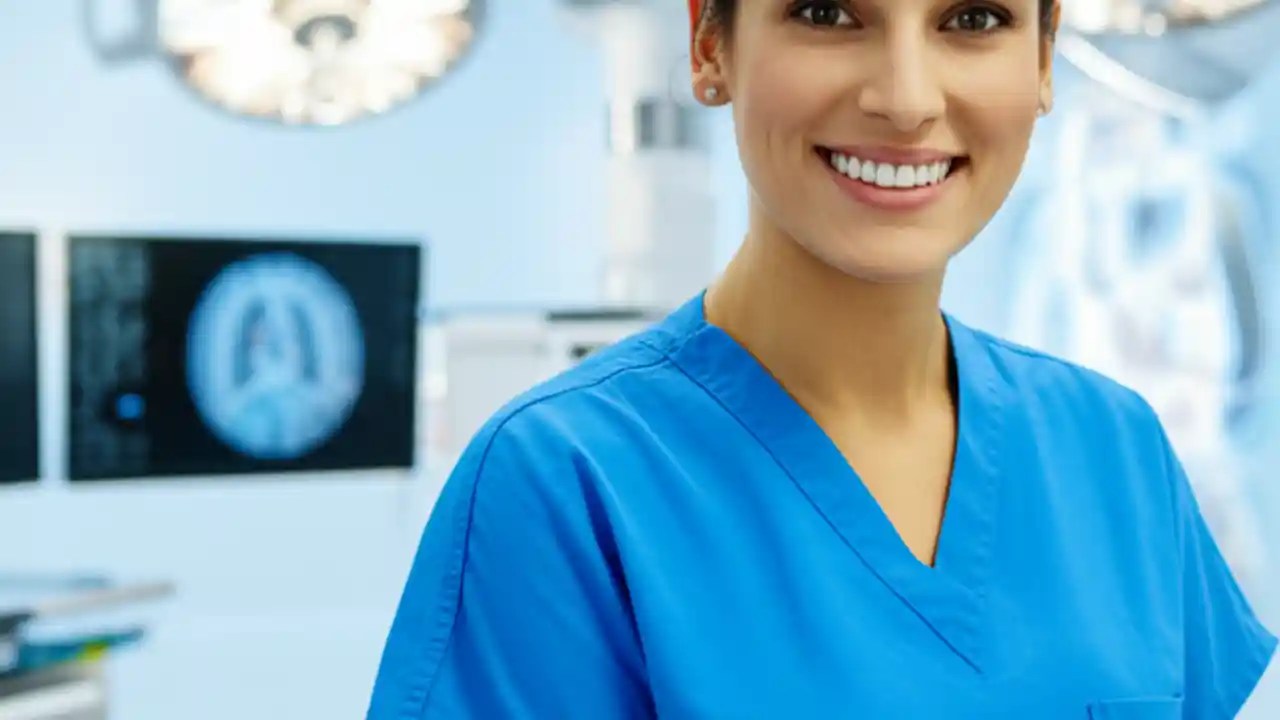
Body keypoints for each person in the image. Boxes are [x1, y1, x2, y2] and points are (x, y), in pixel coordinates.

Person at [367, 0, 1277, 717]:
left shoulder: (1112, 448)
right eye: (827, 12)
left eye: (972, 20)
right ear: (710, 45)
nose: (908, 98)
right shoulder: (566, 483)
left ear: (1043, 60)